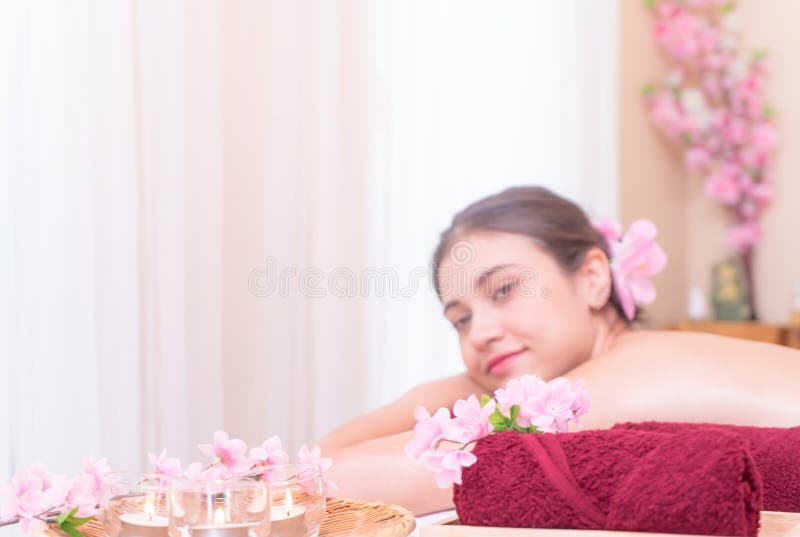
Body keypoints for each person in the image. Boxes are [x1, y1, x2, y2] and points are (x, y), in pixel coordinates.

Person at [319, 186, 800, 514]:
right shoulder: (621, 365)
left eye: (505, 289)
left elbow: (331, 476)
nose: (479, 334)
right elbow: (321, 462)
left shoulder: (604, 389)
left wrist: (457, 388)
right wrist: (468, 384)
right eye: (460, 320)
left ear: (593, 279)